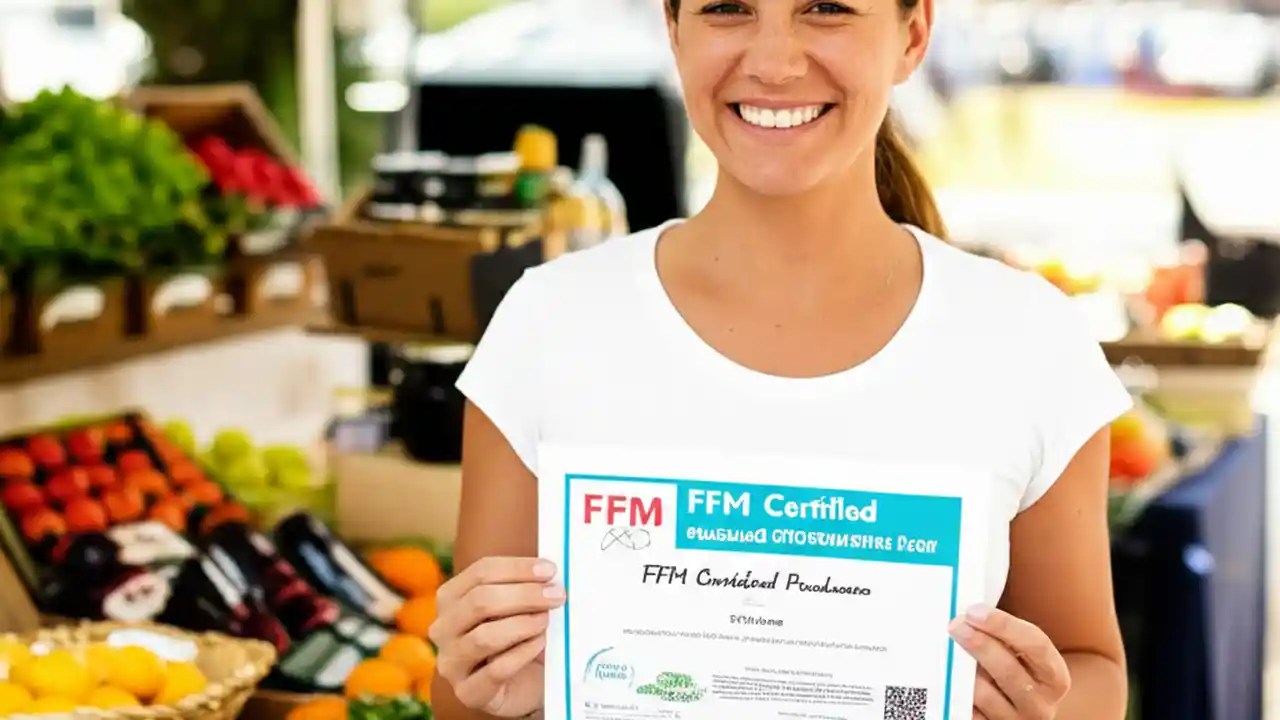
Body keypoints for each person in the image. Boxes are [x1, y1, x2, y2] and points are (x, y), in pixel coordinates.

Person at [428, 0, 1132, 718]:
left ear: (912, 35)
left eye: (826, 9)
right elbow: (463, 695)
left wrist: (1037, 707)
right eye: (728, 9)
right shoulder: (550, 321)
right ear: (674, 33)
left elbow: (1094, 674)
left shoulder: (1029, 339)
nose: (772, 61)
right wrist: (491, 688)